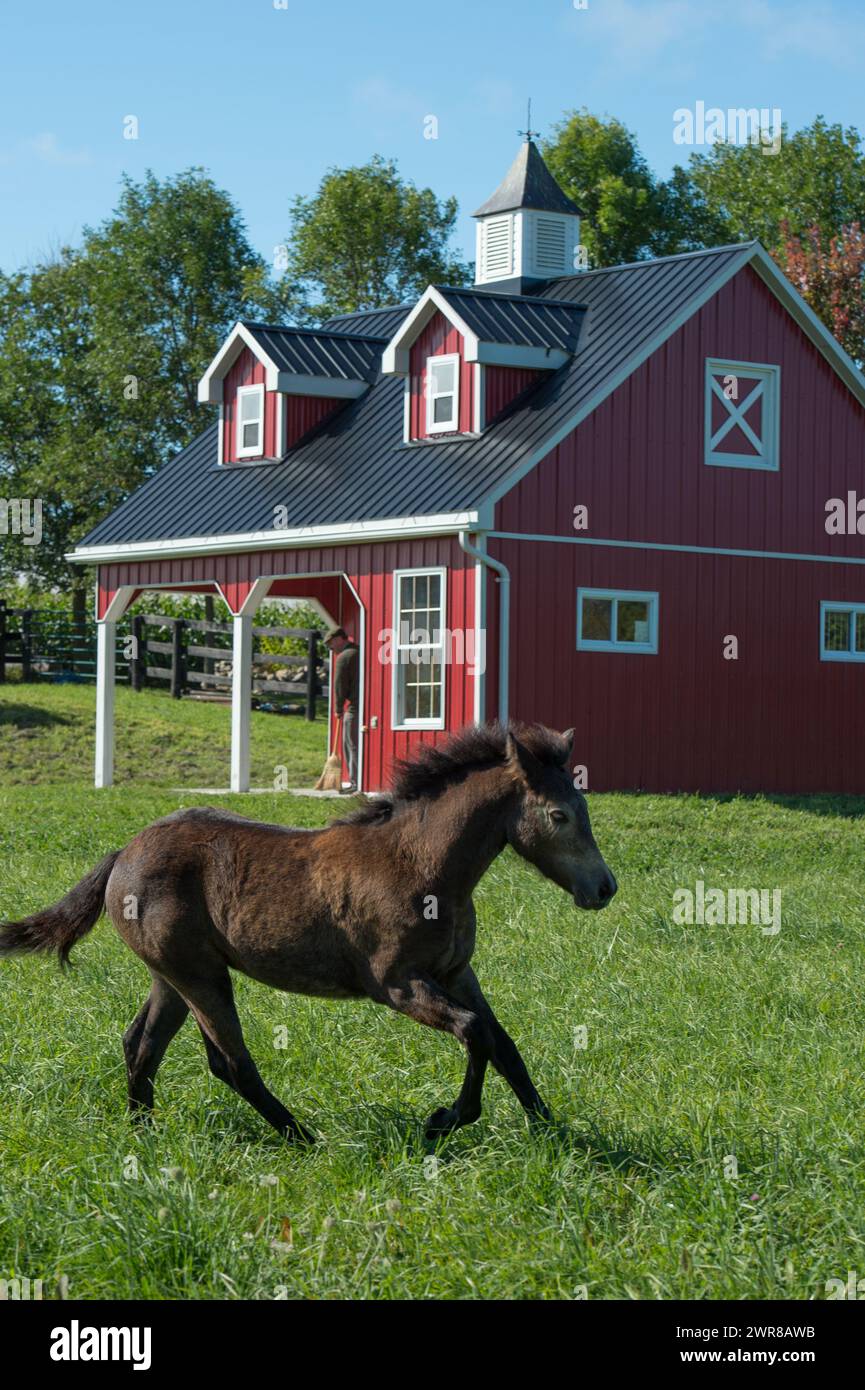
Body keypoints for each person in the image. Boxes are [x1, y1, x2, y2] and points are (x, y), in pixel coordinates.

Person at [325, 627, 359, 792]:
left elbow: (339, 686)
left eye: (331, 645)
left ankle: (355, 782)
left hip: (354, 707)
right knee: (356, 744)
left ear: (338, 639)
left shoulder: (344, 657)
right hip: (365, 706)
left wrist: (338, 708)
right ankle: (357, 781)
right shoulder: (359, 651)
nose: (331, 650)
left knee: (350, 745)